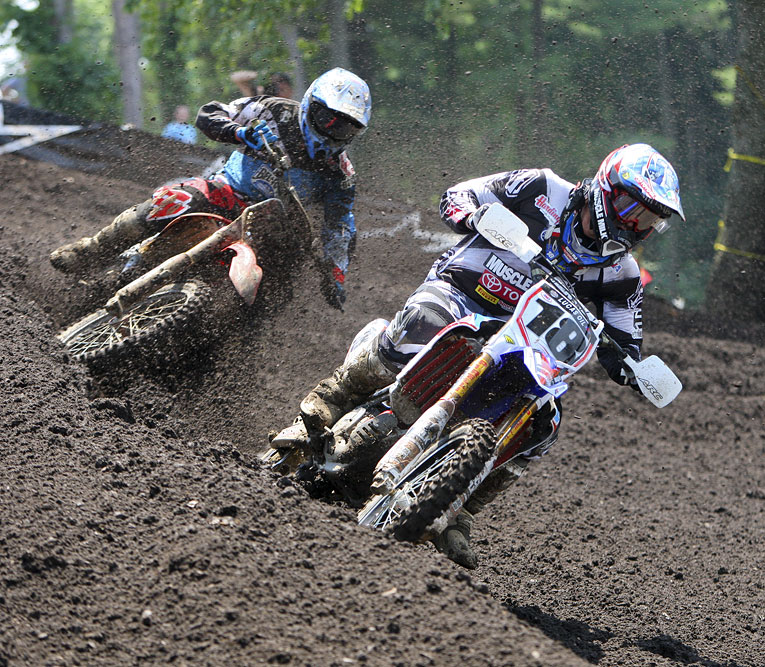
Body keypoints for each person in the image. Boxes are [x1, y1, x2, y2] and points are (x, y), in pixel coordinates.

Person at [295, 143, 684, 567]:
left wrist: (630, 366)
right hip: (462, 294)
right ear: (607, 189)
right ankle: (330, 398)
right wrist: (475, 214)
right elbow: (457, 195)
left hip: (523, 342)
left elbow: (625, 339)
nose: (636, 224)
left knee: (543, 424)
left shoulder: (622, 274)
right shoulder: (543, 188)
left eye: (650, 219)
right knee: (422, 324)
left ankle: (459, 508)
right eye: (633, 208)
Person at [49, 67, 372, 308]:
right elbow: (209, 114)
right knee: (174, 198)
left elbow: (340, 227)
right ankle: (91, 249)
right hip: (228, 194)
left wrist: (336, 274)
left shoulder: (340, 173)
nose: (333, 129)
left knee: (276, 295)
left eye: (344, 126)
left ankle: (217, 358)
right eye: (328, 118)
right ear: (311, 104)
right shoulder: (272, 111)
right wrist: (239, 133)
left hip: (273, 230)